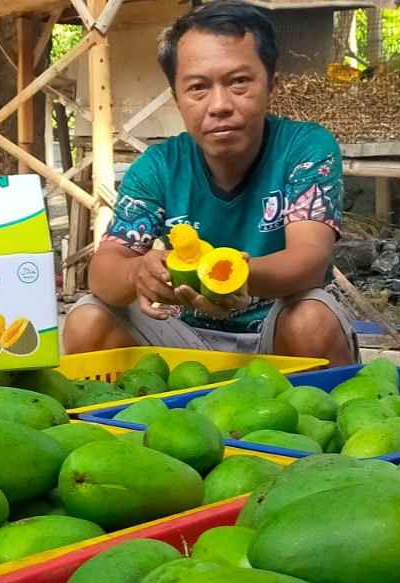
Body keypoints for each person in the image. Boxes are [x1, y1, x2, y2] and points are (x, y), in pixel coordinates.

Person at [62, 0, 358, 366]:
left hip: (275, 333)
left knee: (312, 320)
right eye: (198, 88)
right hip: (186, 342)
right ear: (177, 98)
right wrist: (137, 272)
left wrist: (232, 278)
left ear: (272, 86)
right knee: (86, 320)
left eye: (238, 83)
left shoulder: (305, 148)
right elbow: (103, 272)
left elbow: (308, 261)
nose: (219, 105)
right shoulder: (159, 166)